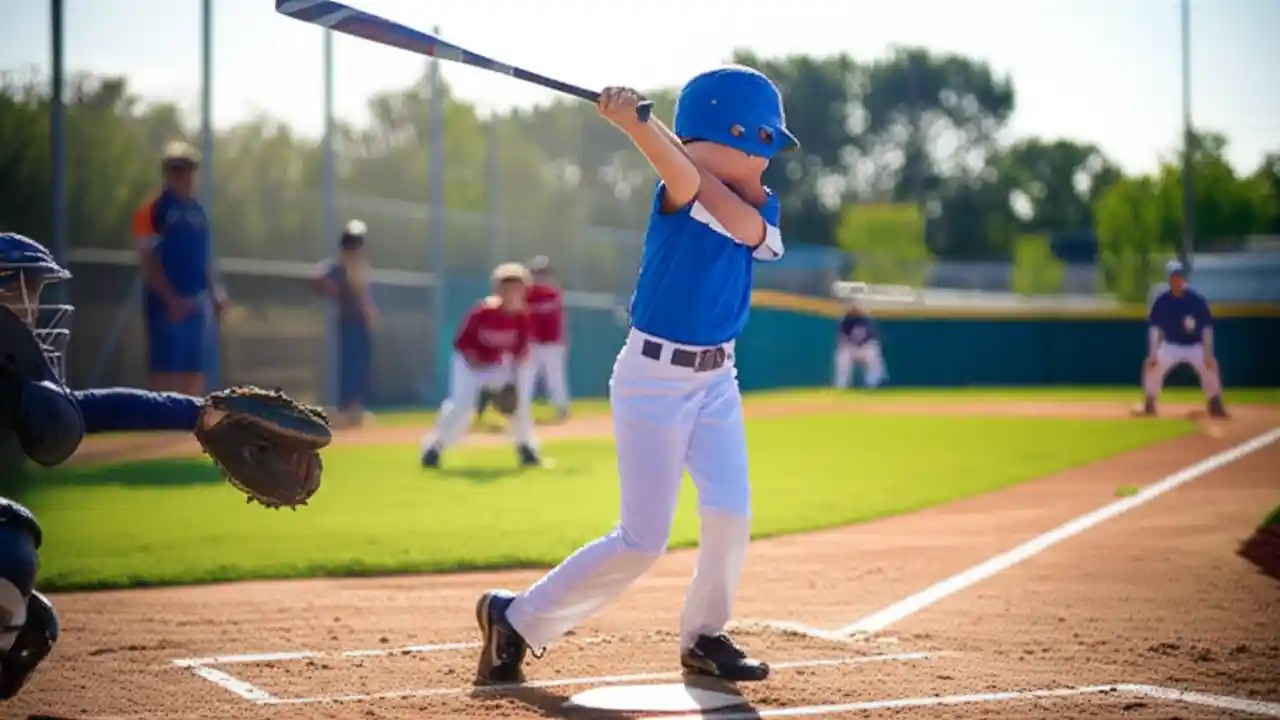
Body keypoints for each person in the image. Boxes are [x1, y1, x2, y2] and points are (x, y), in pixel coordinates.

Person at [472, 67, 795, 685]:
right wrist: (638, 130)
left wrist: (650, 131)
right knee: (643, 540)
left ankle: (704, 635)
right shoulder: (675, 193)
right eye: (763, 143)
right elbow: (682, 179)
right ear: (730, 136)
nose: (770, 158)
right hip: (655, 380)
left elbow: (737, 221)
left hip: (718, 380)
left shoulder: (755, 208)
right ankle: (516, 618)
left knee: (731, 511)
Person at [0, 233, 244, 699]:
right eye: (18, 294)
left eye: (33, 294)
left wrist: (196, 413)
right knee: (7, 546)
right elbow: (54, 440)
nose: (31, 310)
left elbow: (85, 411)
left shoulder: (10, 381)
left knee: (31, 625)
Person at [420, 262, 540, 468]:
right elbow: (462, 342)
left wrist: (515, 380)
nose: (511, 291)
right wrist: (474, 362)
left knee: (519, 404)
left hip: (498, 366)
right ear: (497, 289)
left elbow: (521, 352)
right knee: (462, 406)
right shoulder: (482, 312)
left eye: (516, 286)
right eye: (506, 285)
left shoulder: (522, 317)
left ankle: (526, 447)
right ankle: (434, 447)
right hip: (469, 364)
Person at [133, 141, 228, 395]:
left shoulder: (198, 211)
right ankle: (160, 429)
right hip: (165, 303)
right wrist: (170, 298)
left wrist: (215, 292)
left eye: (188, 168)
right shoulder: (153, 210)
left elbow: (205, 257)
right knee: (165, 367)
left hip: (196, 300)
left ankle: (186, 428)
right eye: (176, 168)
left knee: (194, 367)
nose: (184, 175)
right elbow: (148, 258)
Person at [1138, 259, 1228, 418]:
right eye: (1173, 276)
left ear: (1183, 278)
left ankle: (1215, 400)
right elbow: (1155, 329)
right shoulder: (1162, 301)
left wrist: (1208, 352)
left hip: (1194, 346)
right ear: (1168, 279)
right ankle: (1149, 402)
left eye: (1178, 276)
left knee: (1210, 365)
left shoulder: (1196, 300)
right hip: (1171, 345)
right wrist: (1153, 354)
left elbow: (1207, 329)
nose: (1176, 279)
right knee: (1153, 365)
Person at [312, 219, 379, 428]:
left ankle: (354, 408)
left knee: (359, 365)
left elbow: (364, 296)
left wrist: (370, 313)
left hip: (358, 323)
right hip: (345, 323)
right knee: (347, 365)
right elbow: (319, 277)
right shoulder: (339, 266)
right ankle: (345, 408)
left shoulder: (358, 267)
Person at [526, 255, 571, 421]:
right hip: (532, 343)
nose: (540, 276)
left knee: (556, 377)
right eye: (537, 272)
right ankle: (522, 410)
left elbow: (561, 321)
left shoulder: (553, 293)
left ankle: (561, 408)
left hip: (552, 343)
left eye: (543, 272)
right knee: (527, 376)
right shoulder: (526, 293)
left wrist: (564, 340)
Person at [834, 302, 887, 389]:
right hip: (851, 348)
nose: (854, 308)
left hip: (865, 347)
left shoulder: (867, 321)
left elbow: (871, 338)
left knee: (872, 353)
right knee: (842, 355)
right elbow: (841, 339)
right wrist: (848, 343)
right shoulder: (844, 321)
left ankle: (872, 384)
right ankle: (841, 385)